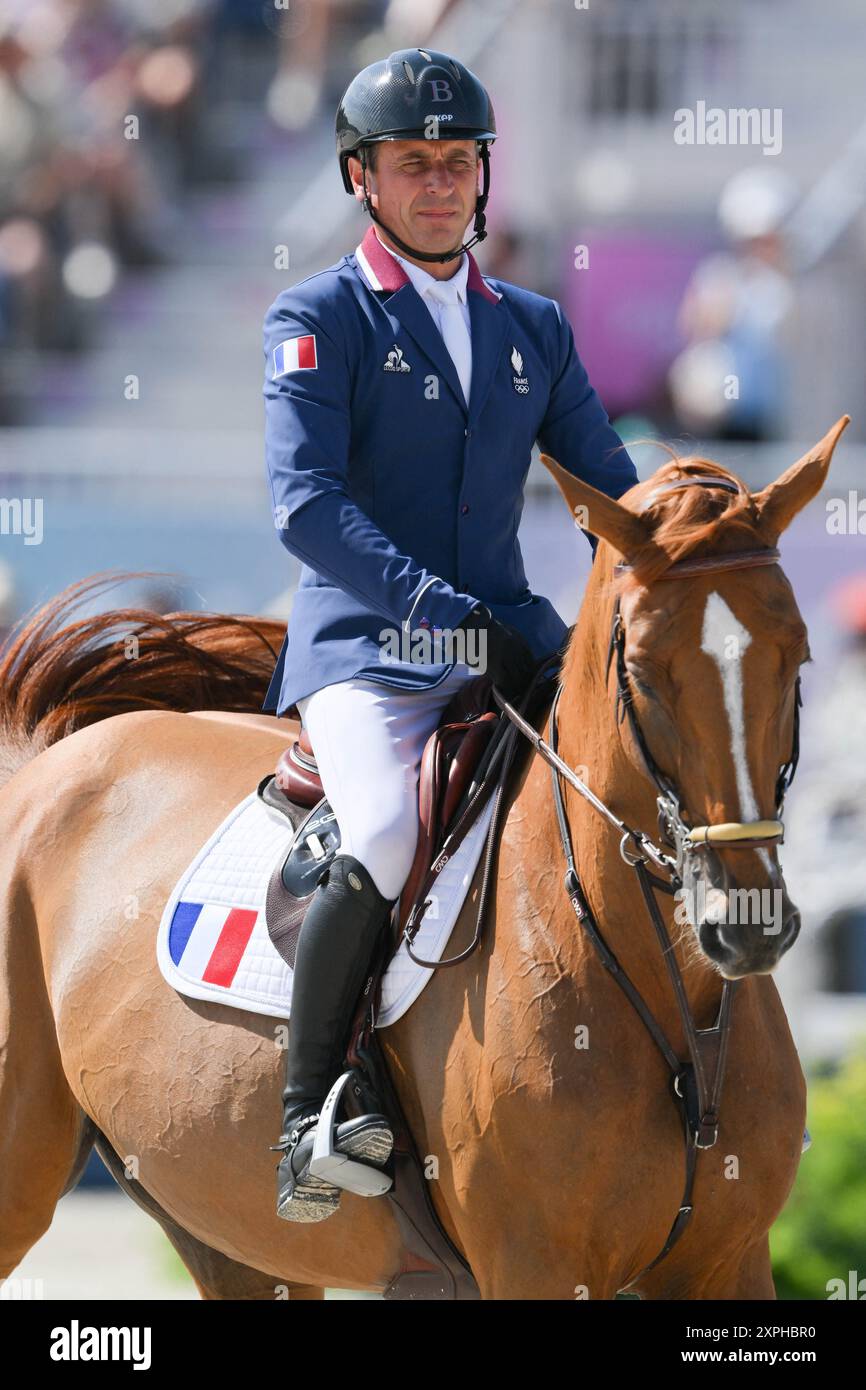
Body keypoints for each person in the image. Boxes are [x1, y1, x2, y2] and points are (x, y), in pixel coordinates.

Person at [261, 47, 639, 1222]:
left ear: (485, 176)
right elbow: (305, 504)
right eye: (410, 163)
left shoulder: (531, 324)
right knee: (379, 827)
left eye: (457, 161)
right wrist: (436, 608)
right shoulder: (315, 316)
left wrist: (682, 541)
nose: (438, 184)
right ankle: (306, 1111)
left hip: (503, 638)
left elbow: (608, 496)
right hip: (370, 650)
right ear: (359, 177)